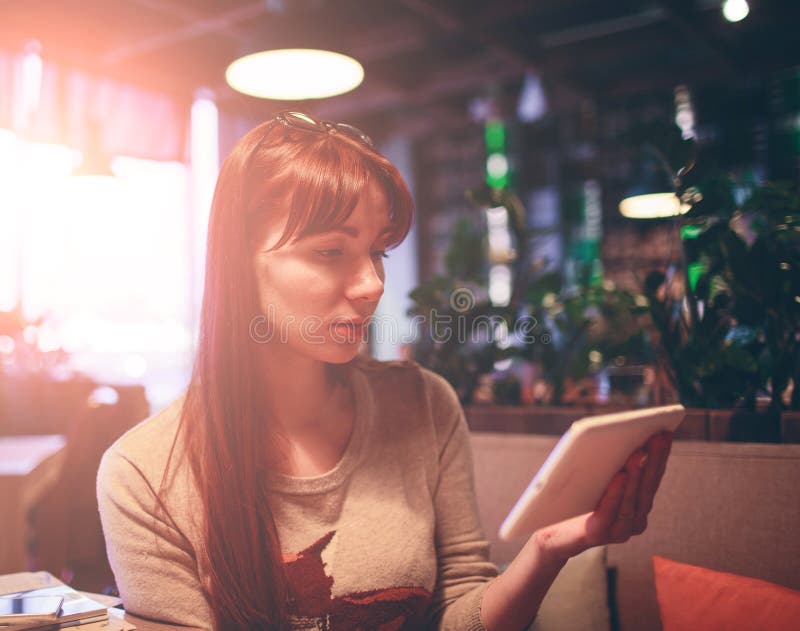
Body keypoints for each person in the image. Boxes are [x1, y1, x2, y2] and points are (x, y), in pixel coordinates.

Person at [96, 111, 672, 631]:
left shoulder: (423, 405)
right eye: (330, 252)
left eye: (379, 252)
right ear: (238, 265)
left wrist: (547, 550)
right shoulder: (144, 474)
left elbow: (460, 612)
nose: (373, 284)